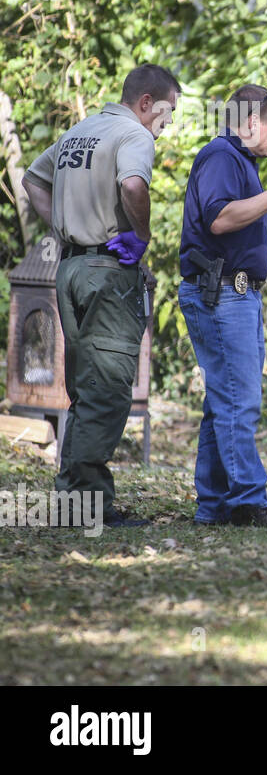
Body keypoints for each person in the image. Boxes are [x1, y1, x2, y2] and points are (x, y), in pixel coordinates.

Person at [22, 64, 181, 527]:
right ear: (147, 103)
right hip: (108, 273)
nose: (167, 125)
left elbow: (34, 179)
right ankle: (88, 503)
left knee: (82, 387)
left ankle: (74, 499)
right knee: (108, 389)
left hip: (69, 268)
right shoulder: (134, 135)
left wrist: (62, 226)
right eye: (167, 114)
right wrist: (142, 236)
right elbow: (133, 185)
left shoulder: (81, 131)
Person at [178, 84, 267, 527]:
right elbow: (219, 218)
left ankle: (212, 506)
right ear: (251, 121)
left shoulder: (240, 162)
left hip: (238, 292)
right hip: (220, 294)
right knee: (240, 400)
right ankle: (248, 501)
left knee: (223, 401)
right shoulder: (220, 157)